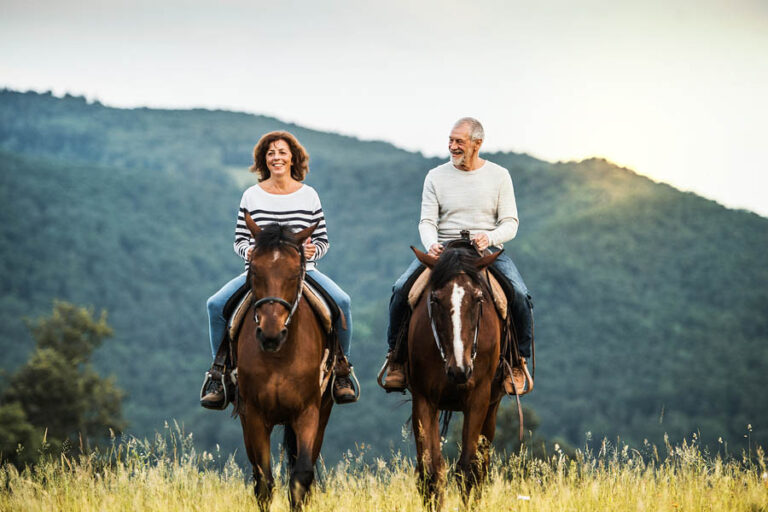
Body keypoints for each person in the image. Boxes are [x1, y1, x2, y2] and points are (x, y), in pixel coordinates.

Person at [201, 131, 355, 408]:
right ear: (264, 160)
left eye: (282, 152)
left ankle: (341, 370)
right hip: (260, 273)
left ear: (293, 157)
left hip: (301, 272)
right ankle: (219, 372)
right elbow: (239, 240)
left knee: (342, 302)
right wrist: (249, 251)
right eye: (270, 153)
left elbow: (322, 240)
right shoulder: (251, 195)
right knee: (215, 305)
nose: (276, 158)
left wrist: (312, 252)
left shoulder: (309, 195)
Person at [383, 117, 534, 394]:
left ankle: (517, 362)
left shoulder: (499, 176)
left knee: (519, 294)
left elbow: (510, 222)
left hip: (483, 251)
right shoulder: (435, 176)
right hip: (445, 251)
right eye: (450, 141)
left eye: (459, 142)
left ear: (477, 143)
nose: (452, 146)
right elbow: (427, 221)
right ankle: (396, 359)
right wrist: (431, 244)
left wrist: (490, 237)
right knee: (401, 289)